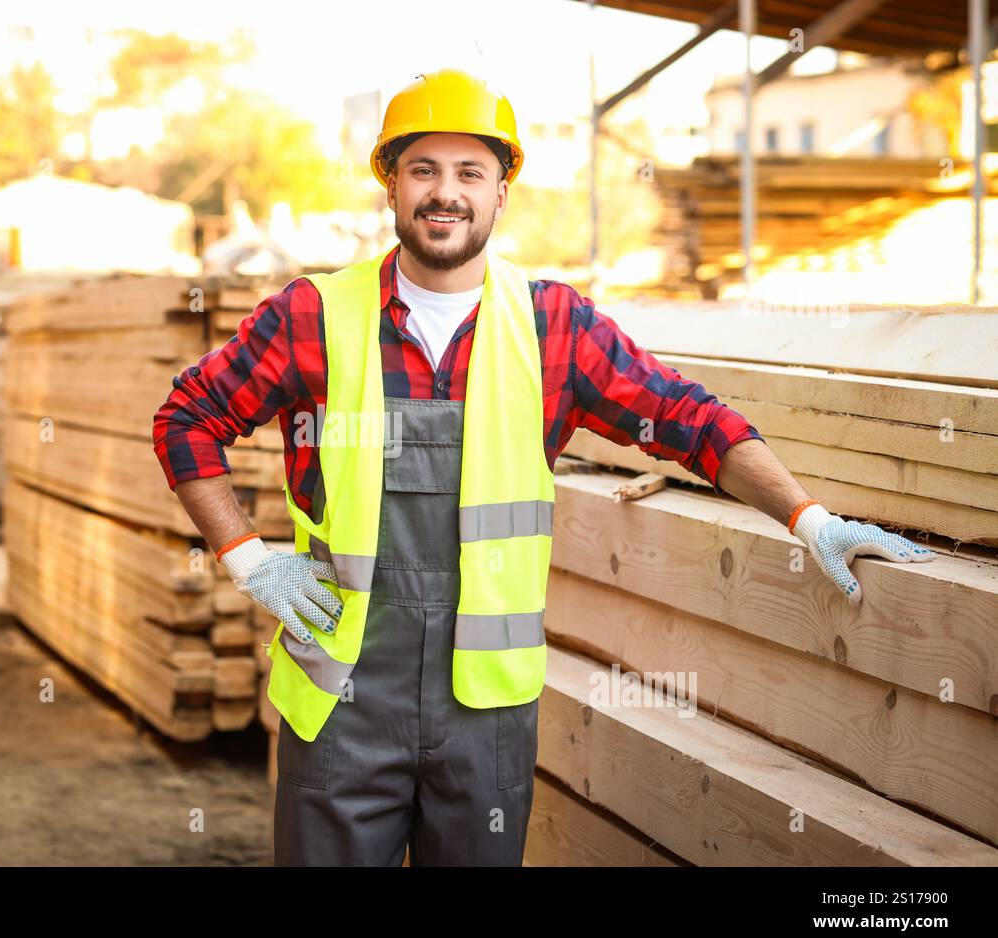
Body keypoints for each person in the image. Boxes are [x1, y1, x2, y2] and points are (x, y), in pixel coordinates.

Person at [151, 68, 934, 867]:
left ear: (500, 194)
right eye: (422, 169)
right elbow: (186, 419)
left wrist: (810, 517)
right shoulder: (315, 315)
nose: (444, 193)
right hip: (341, 710)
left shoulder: (551, 324)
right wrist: (249, 562)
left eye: (469, 173)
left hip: (484, 721)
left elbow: (690, 421)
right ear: (391, 187)